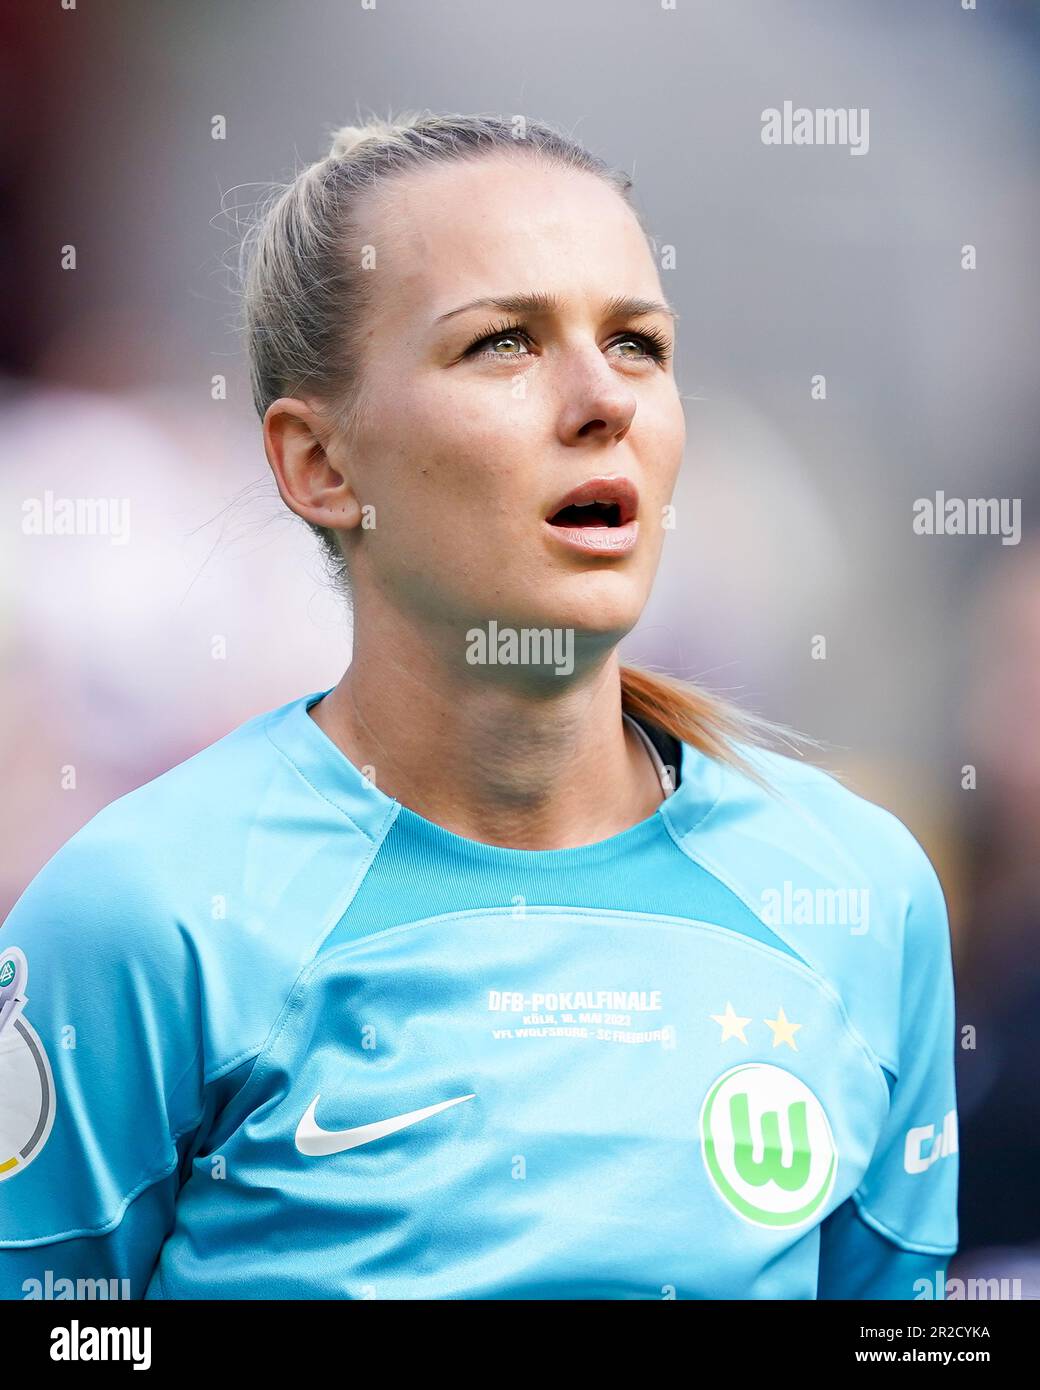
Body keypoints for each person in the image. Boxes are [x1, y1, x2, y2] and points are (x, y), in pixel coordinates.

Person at [0, 111, 957, 1300]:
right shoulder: (139, 913)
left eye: (637, 344)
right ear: (321, 466)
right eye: (504, 342)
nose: (601, 399)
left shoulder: (856, 890)